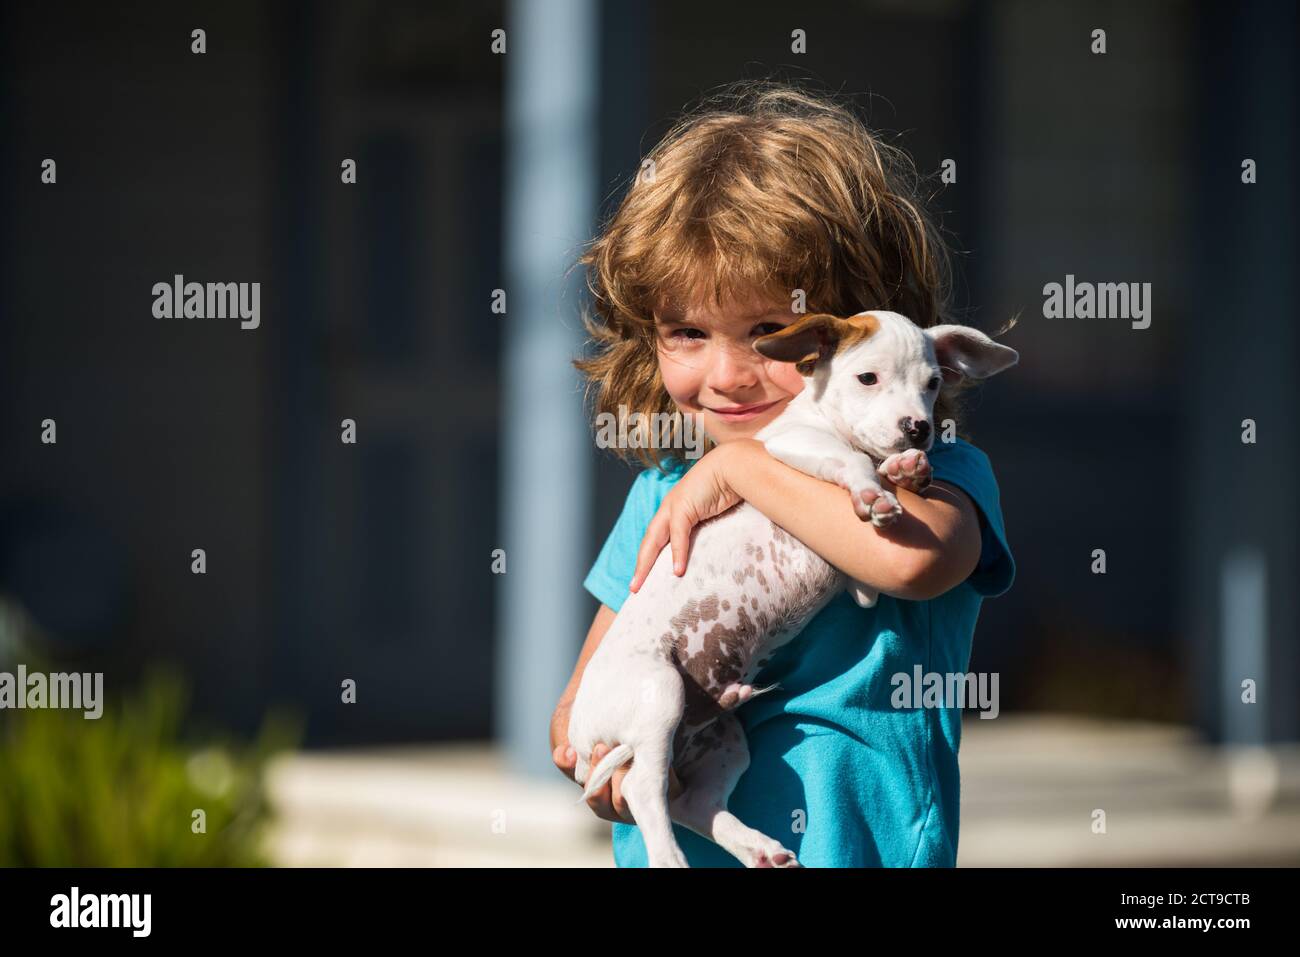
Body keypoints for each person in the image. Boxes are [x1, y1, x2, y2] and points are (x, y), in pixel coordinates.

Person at [549, 81, 1016, 867]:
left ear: (860, 333)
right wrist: (584, 758)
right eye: (686, 331)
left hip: (856, 848)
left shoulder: (934, 475)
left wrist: (744, 466)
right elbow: (581, 698)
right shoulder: (664, 493)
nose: (728, 373)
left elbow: (910, 560)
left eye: (769, 332)